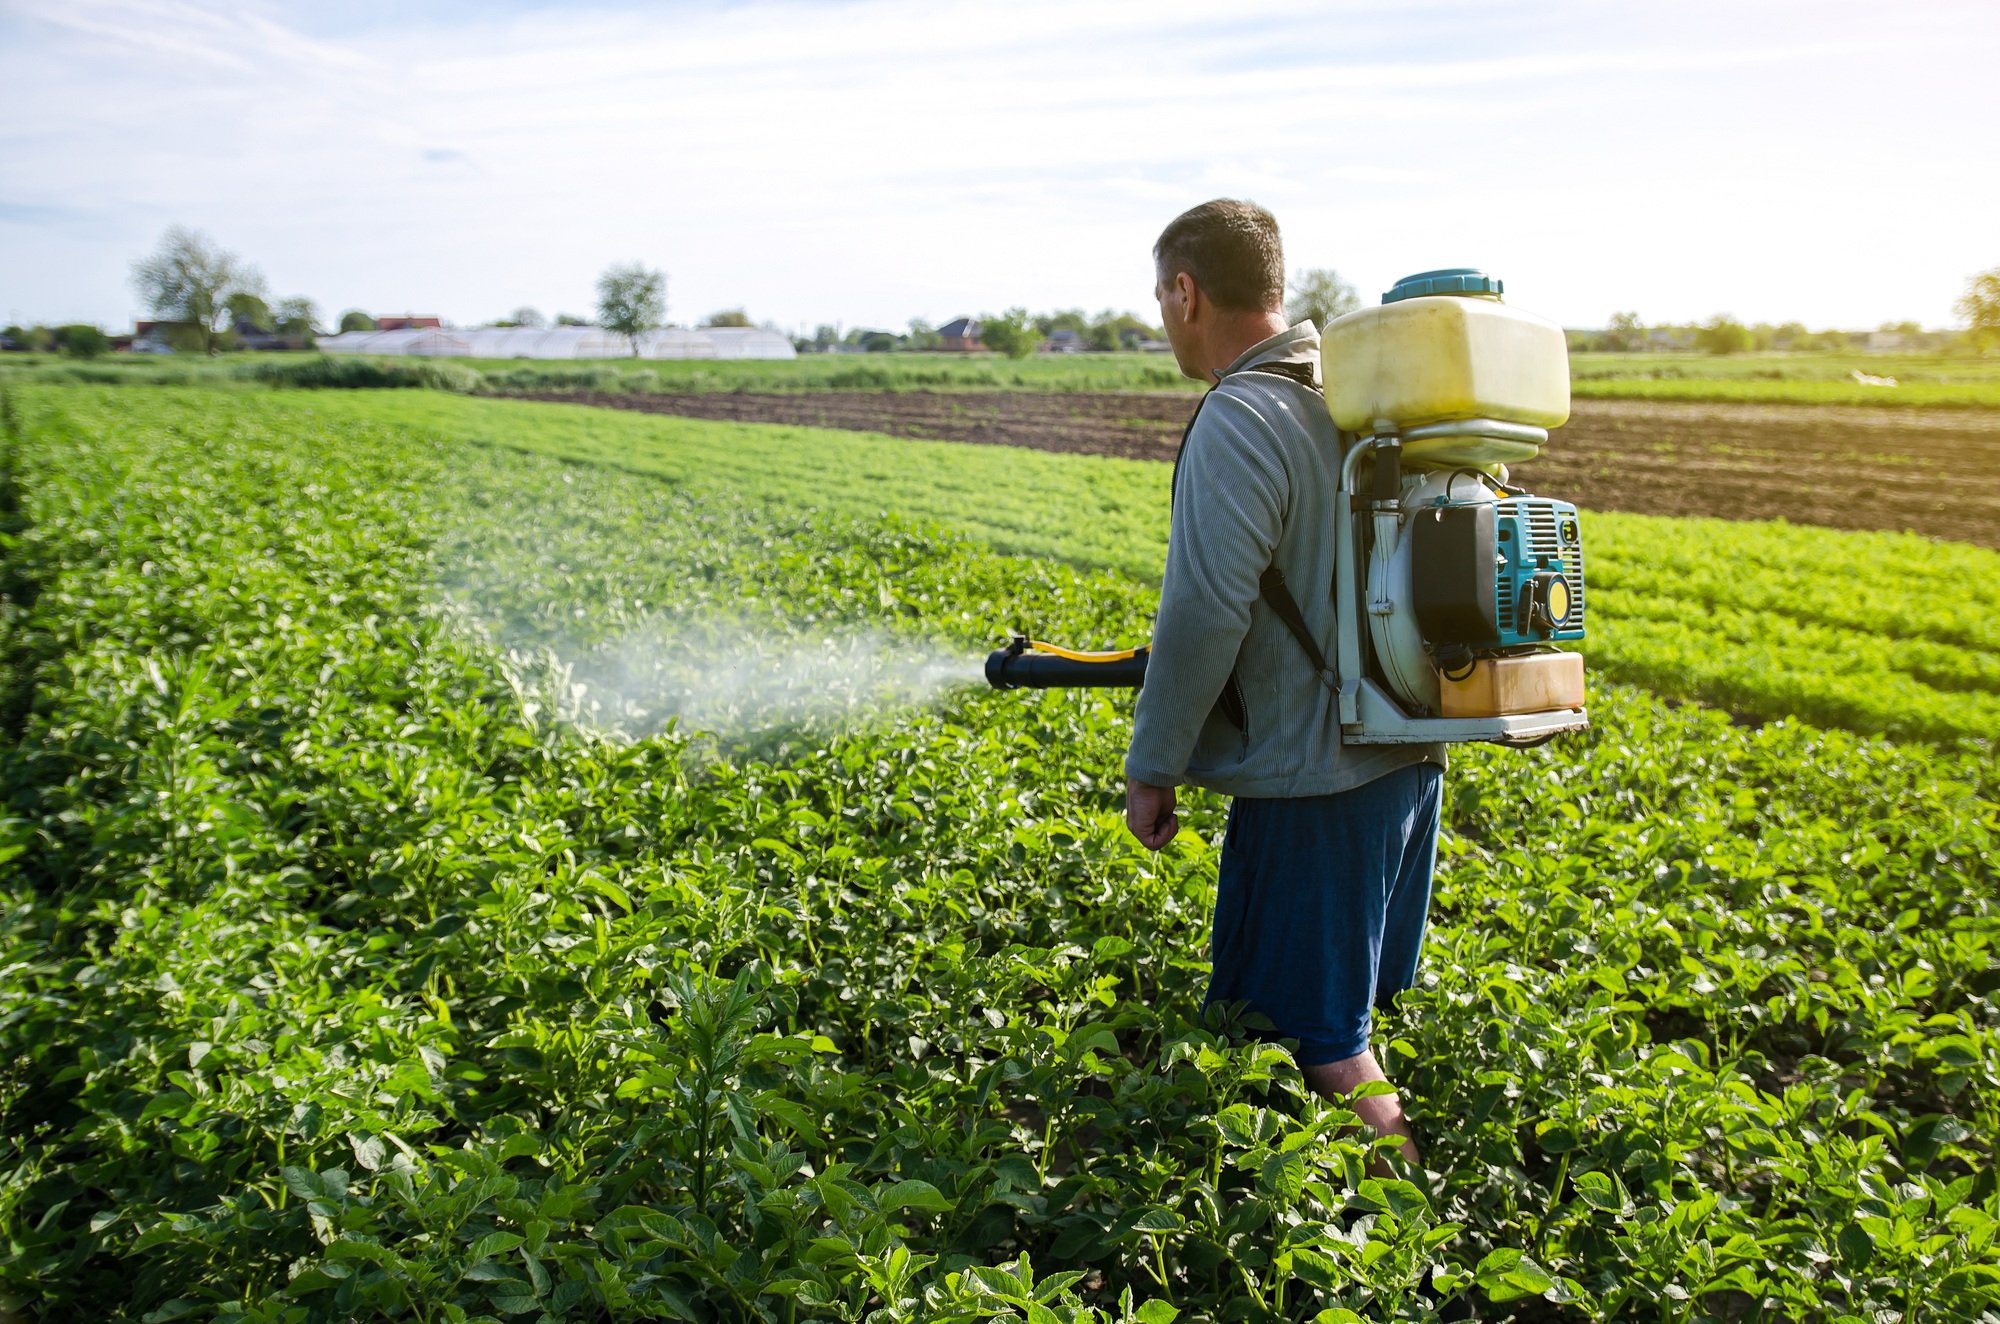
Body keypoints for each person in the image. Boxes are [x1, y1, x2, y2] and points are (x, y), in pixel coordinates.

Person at [1123, 199, 1446, 1168]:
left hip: (1318, 781)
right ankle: (1291, 1212)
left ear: (1186, 292)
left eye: (1159, 297)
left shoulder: (1243, 414)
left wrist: (1153, 763)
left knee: (1327, 1044)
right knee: (1276, 1017)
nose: (1162, 316)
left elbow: (1204, 612)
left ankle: (1413, 1231)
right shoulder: (1358, 395)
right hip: (1404, 754)